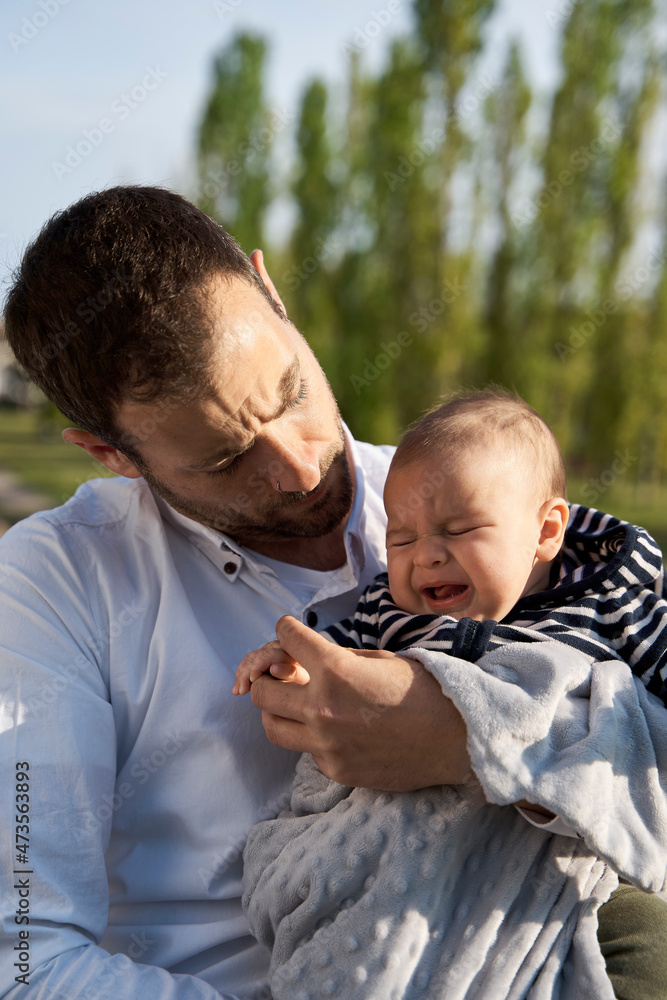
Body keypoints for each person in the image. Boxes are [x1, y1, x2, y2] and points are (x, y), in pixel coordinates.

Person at [0, 186, 664, 1000]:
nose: (299, 466)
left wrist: (465, 737)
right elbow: (24, 959)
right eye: (223, 461)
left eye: (291, 395)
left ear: (272, 293)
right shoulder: (53, 585)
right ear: (110, 454)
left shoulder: (471, 497)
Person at [235, 391, 667, 997]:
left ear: (545, 532)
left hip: (563, 851)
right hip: (413, 846)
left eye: (459, 530)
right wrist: (290, 663)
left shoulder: (611, 604)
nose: (427, 555)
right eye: (402, 539)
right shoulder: (388, 609)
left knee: (648, 942)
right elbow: (334, 662)